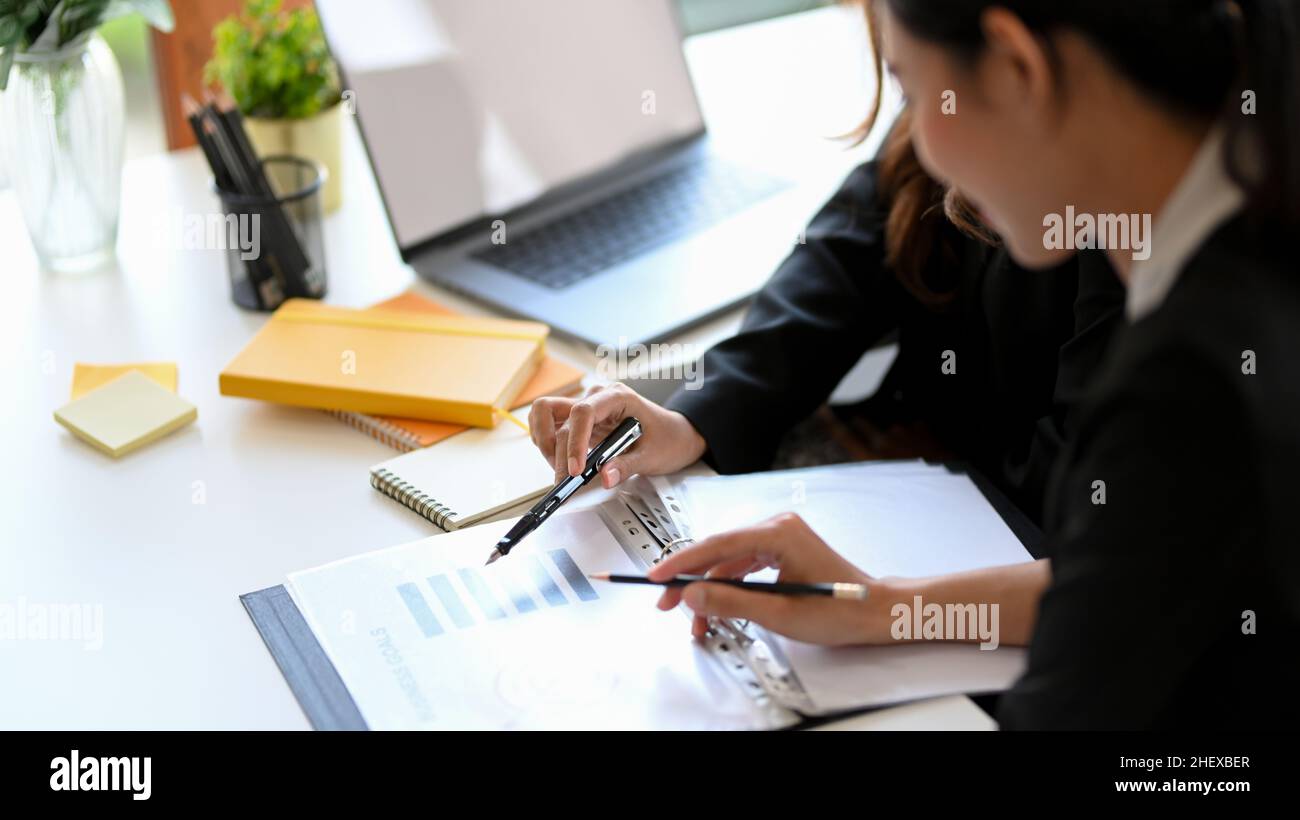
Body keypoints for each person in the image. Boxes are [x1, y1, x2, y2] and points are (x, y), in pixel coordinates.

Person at [632, 0, 1299, 729]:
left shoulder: (1187, 382)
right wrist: (877, 608)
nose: (919, 140)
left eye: (916, 93)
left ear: (1016, 66)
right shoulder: (1236, 195)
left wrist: (883, 610)